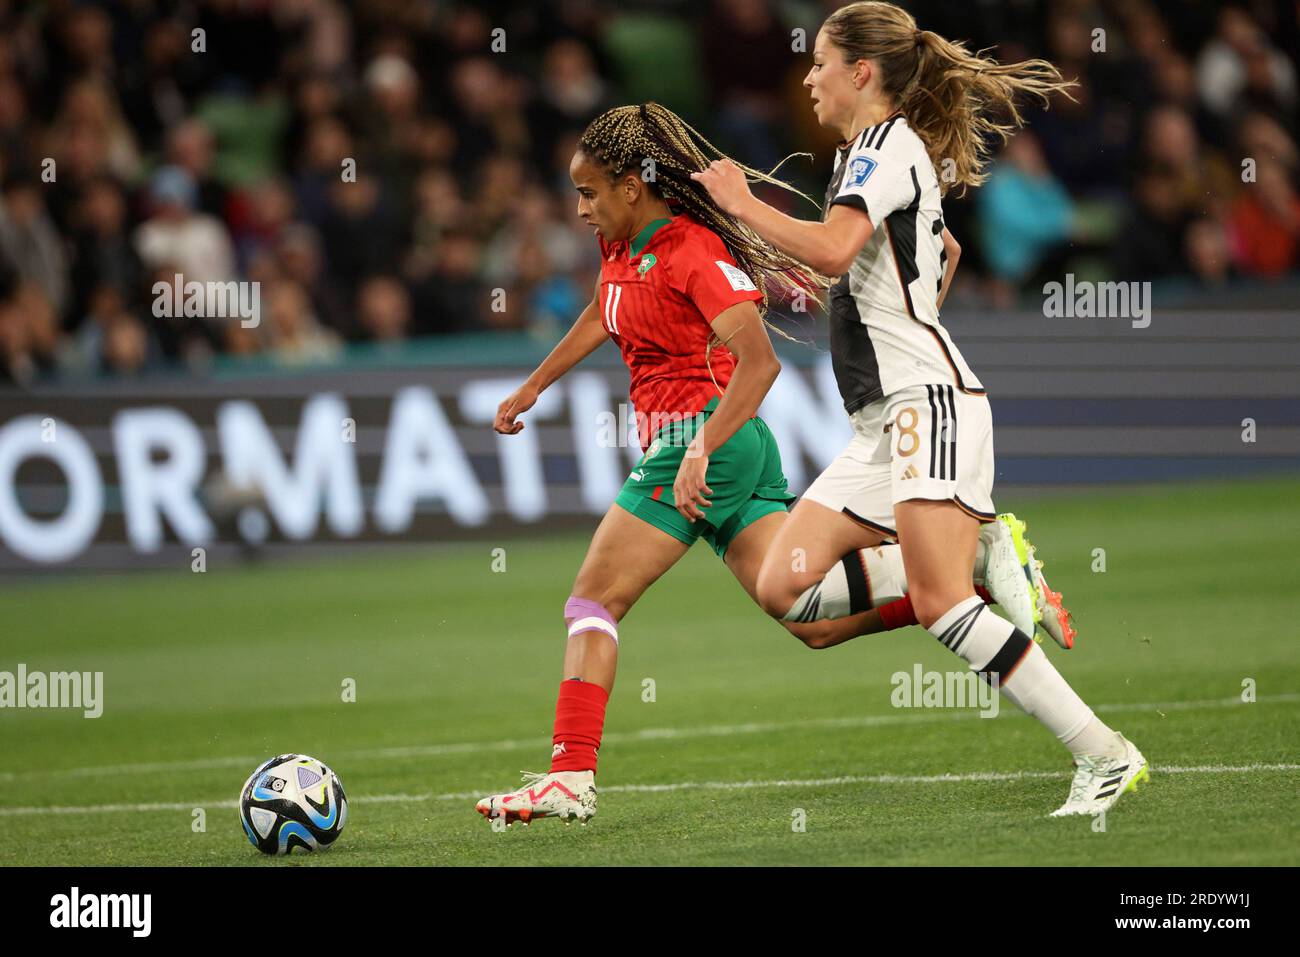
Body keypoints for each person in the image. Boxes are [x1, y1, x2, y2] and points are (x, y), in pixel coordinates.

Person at [474, 103, 1051, 826]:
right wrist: (535, 384)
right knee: (810, 616)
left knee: (593, 600)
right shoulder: (621, 249)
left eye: (589, 193)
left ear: (631, 185)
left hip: (705, 440)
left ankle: (568, 774)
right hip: (711, 450)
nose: (580, 209)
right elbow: (603, 309)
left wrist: (701, 449)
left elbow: (760, 362)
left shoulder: (691, 250)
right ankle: (966, 575)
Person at [692, 1, 1145, 817]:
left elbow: (837, 248)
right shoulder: (873, 158)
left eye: (820, 63)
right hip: (880, 424)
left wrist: (740, 201)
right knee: (787, 587)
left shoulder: (884, 145)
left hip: (925, 405)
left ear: (860, 72)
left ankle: (1104, 753)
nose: (809, 78)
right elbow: (937, 253)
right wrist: (863, 302)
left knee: (939, 609)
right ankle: (975, 556)